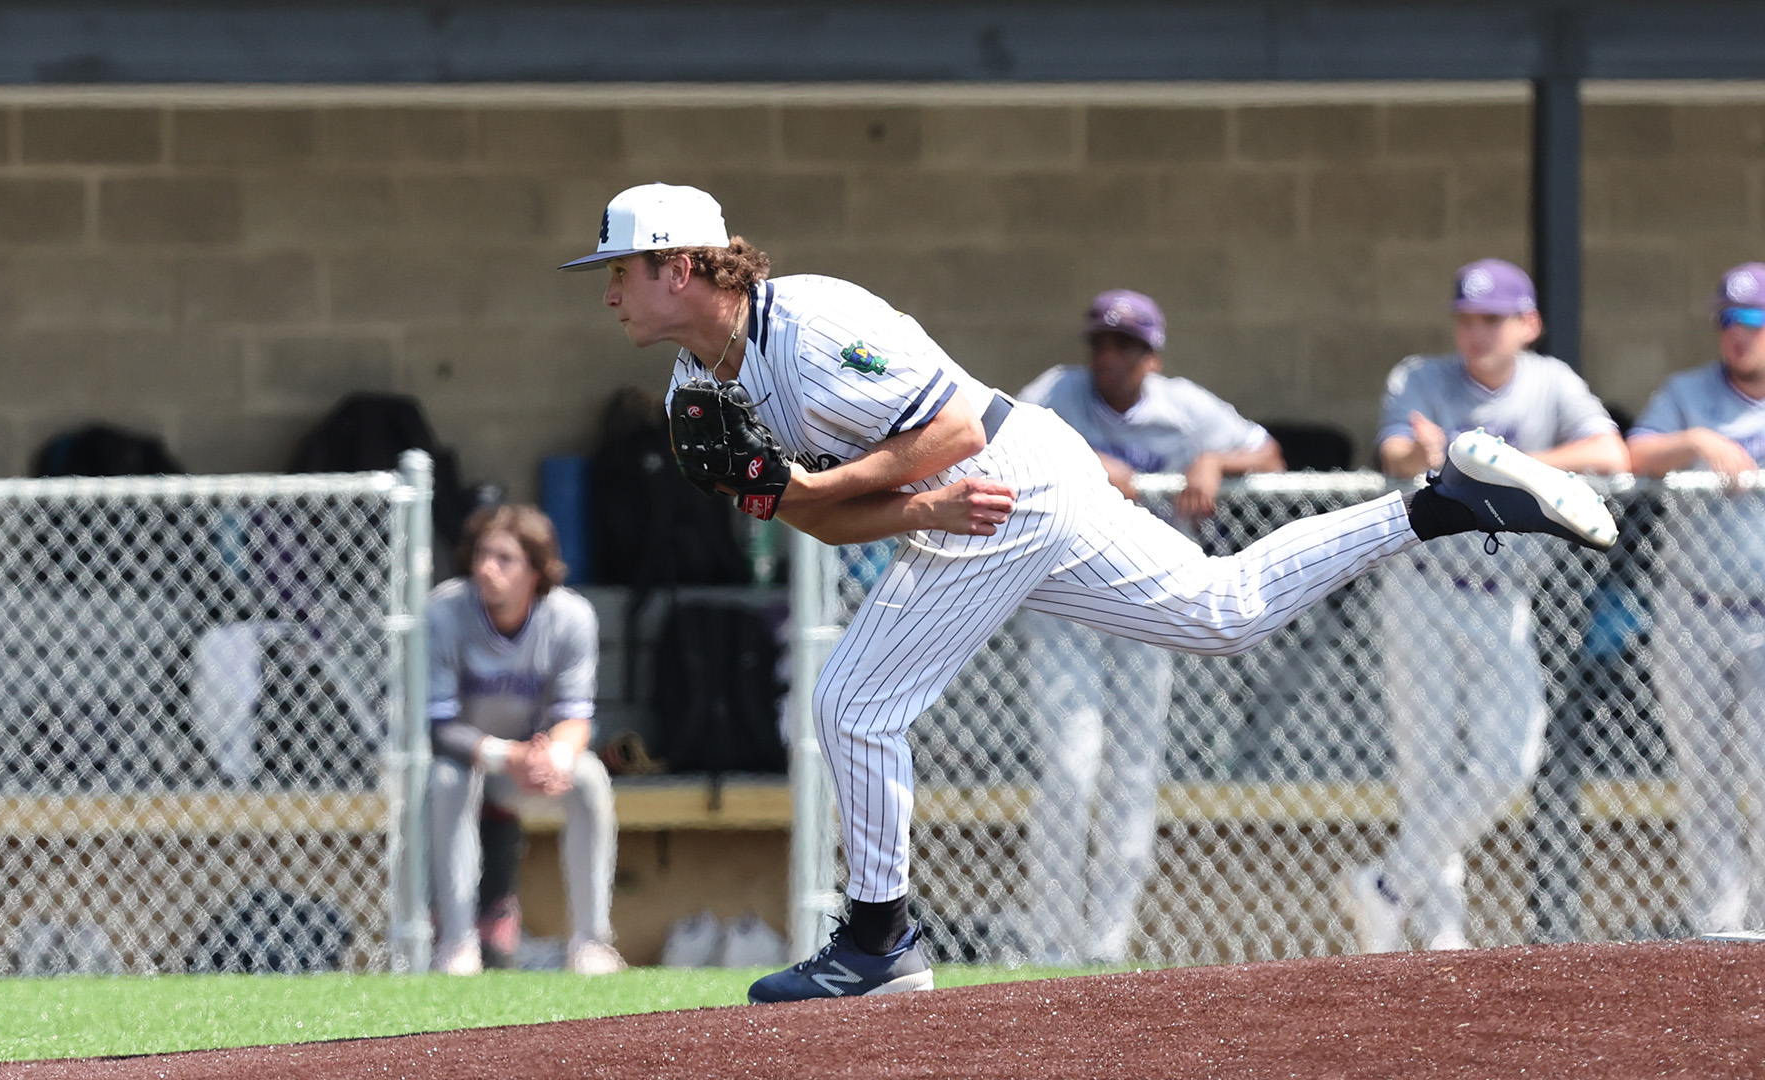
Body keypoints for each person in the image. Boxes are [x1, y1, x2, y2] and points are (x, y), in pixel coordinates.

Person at [559, 183, 1616, 1003]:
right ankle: (1438, 505)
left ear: (684, 266)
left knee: (854, 703)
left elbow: (953, 429)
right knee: (1223, 612)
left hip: (1006, 478)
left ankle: (881, 941)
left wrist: (850, 490)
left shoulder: (814, 323)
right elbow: (816, 519)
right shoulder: (695, 388)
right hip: (994, 492)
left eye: (623, 269)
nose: (608, 292)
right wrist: (902, 509)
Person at [1348, 258, 1629, 953]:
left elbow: (1610, 450)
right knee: (1427, 770)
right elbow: (1392, 449)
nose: (1477, 332)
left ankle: (1388, 885)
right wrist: (1422, 453)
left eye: (1494, 320)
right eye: (1467, 319)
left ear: (1528, 323)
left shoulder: (1551, 382)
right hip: (1423, 587)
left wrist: (1507, 467)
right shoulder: (1422, 376)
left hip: (1505, 598)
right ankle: (1441, 940)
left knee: (1510, 761)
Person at [1013, 289, 1284, 964]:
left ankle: (1107, 942)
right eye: (1101, 342)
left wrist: (1214, 460)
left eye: (1127, 346)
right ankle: (1051, 942)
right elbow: (994, 444)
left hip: (1146, 606)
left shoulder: (1184, 405)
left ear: (1152, 356)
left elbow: (1271, 455)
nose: (1110, 356)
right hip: (1067, 601)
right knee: (1070, 770)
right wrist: (1079, 464)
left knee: (1132, 773)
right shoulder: (1057, 392)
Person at [424, 503, 626, 975]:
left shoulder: (571, 616)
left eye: (504, 559)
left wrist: (555, 758)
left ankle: (590, 943)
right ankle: (457, 944)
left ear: (536, 570)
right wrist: (507, 755)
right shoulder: (444, 609)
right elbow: (439, 725)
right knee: (447, 780)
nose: (485, 569)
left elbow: (575, 716)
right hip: (467, 761)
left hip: (529, 767)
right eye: (481, 555)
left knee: (589, 777)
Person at [1627, 262, 1765, 935]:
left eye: (1753, 321)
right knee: (1704, 775)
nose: (1739, 334)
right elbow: (1632, 457)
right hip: (1693, 612)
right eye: (1728, 321)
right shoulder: (1687, 394)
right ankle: (1719, 923)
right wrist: (1698, 440)